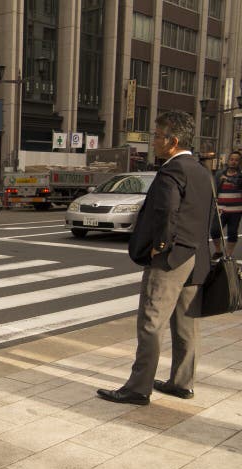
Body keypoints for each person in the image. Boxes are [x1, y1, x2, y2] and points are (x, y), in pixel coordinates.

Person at [97, 111, 214, 405]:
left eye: (158, 136)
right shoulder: (202, 171)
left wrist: (158, 247)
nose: (154, 142)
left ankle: (138, 388)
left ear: (173, 142)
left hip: (171, 258)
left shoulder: (171, 171)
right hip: (197, 256)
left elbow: (165, 213)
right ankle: (182, 382)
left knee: (151, 322)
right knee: (187, 324)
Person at [210, 150, 242, 259]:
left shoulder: (240, 175)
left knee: (232, 232)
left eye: (236, 160)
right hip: (221, 209)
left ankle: (228, 255)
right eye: (232, 159)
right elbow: (214, 189)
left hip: (236, 210)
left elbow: (239, 183)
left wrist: (228, 179)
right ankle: (218, 251)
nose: (233, 162)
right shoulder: (220, 174)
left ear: (239, 162)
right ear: (228, 161)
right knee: (214, 231)